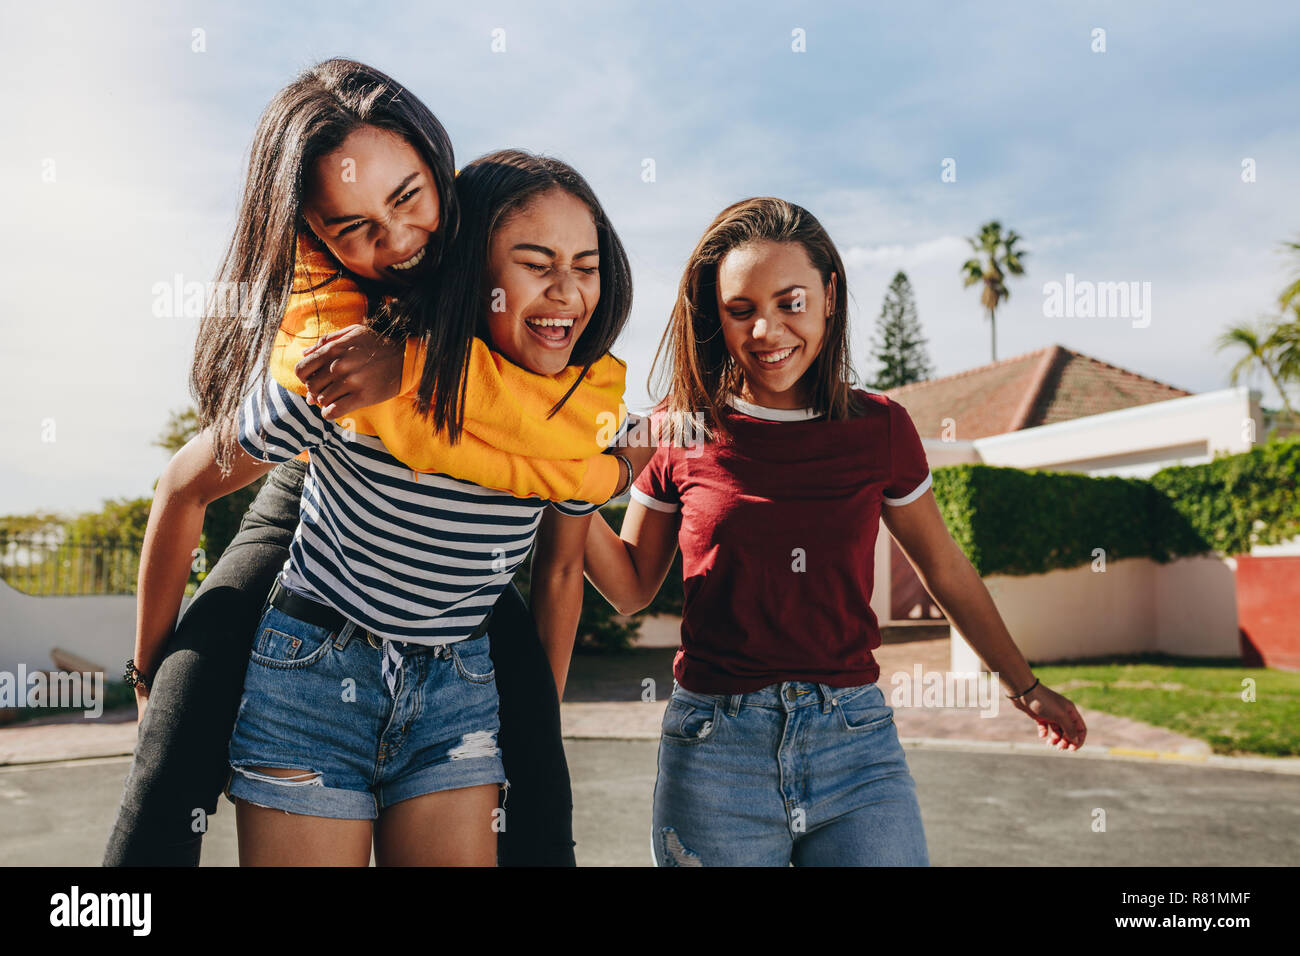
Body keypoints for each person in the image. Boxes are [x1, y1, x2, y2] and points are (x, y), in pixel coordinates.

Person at [104, 58, 640, 866]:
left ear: (439, 173)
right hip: (314, 666)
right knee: (175, 741)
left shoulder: (565, 408)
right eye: (354, 227)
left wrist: (533, 724)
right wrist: (149, 677)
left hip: (454, 683)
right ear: (315, 235)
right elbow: (183, 485)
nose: (396, 242)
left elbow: (563, 573)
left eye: (407, 198)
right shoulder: (341, 364)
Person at [582, 197, 1088, 867]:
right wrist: (564, 494)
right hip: (715, 752)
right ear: (716, 316)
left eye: (790, 302)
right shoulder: (677, 425)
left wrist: (1026, 687)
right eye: (741, 310)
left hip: (855, 745)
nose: (767, 330)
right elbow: (629, 586)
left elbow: (945, 569)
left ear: (829, 295)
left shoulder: (880, 428)